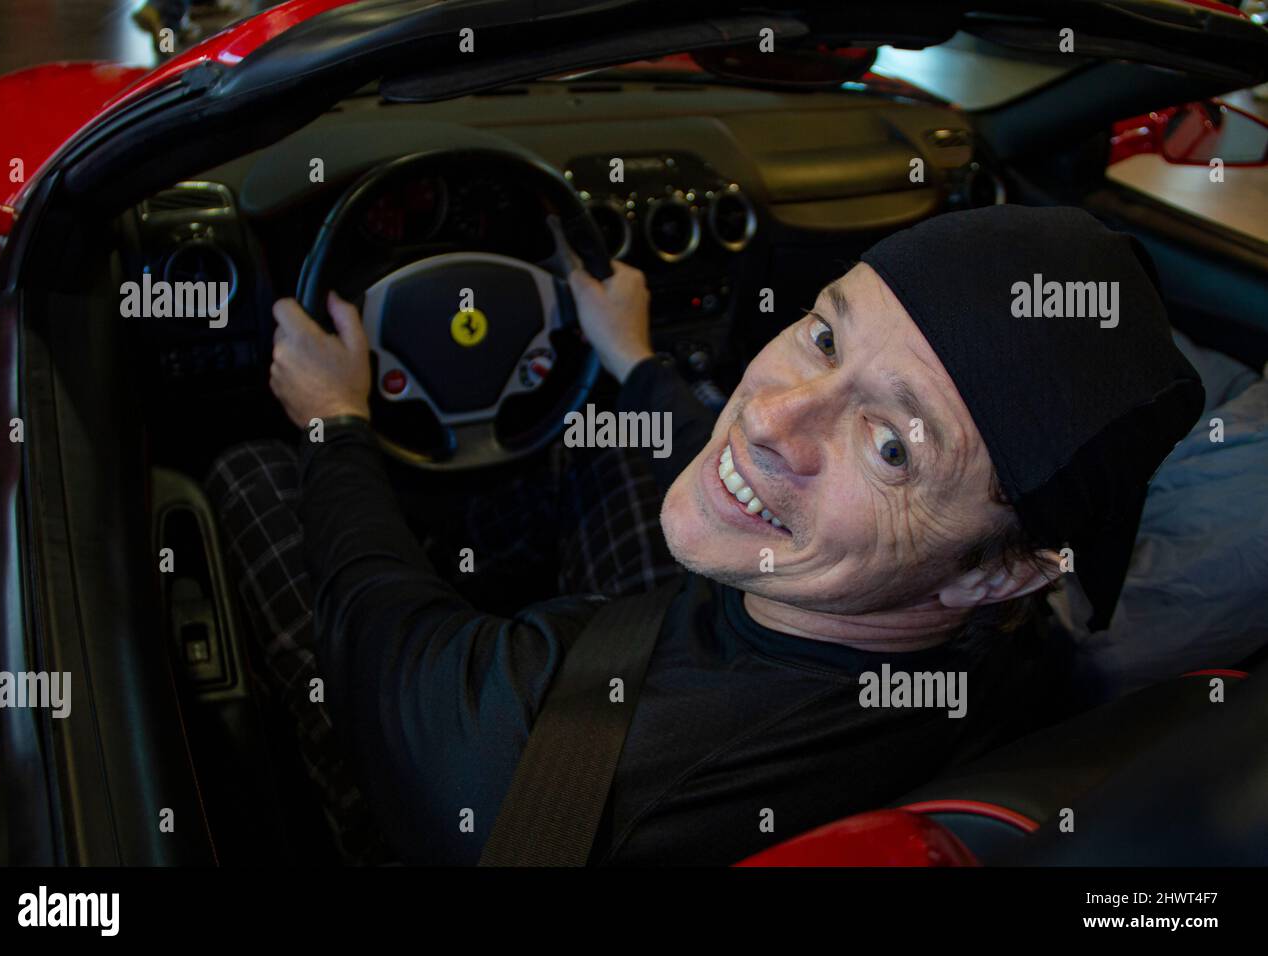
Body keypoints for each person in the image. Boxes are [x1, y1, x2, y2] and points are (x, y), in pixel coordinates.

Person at [208, 204, 1203, 865]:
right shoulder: (1018, 640)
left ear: (999, 573)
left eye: (892, 447)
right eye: (823, 334)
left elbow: (385, 629)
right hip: (659, 642)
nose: (771, 416)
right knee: (609, 441)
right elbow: (754, 459)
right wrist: (635, 360)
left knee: (252, 473)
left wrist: (336, 421)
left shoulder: (519, 760)